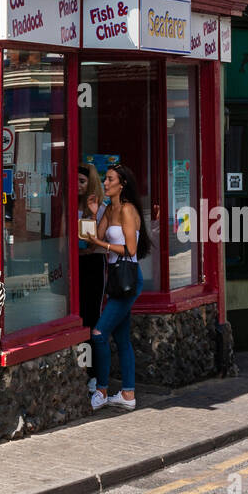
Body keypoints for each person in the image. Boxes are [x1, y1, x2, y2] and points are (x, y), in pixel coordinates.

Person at [87, 163, 151, 412]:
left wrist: (101, 242)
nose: (105, 182)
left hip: (128, 279)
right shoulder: (110, 209)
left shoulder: (126, 210)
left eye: (110, 179)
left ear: (122, 184)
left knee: (99, 334)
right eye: (105, 178)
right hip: (116, 279)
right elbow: (96, 238)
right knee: (122, 339)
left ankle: (101, 390)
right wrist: (96, 211)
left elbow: (131, 250)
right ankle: (127, 394)